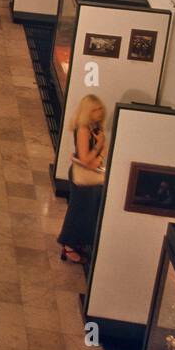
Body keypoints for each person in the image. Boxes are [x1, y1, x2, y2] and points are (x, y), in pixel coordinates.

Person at [58, 94, 108, 263]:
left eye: (100, 108)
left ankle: (78, 242)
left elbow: (94, 160)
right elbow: (88, 160)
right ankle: (69, 245)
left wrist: (98, 156)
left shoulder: (96, 129)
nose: (100, 112)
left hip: (90, 178)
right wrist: (100, 148)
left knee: (87, 211)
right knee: (78, 211)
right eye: (95, 109)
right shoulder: (84, 130)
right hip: (83, 178)